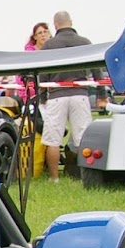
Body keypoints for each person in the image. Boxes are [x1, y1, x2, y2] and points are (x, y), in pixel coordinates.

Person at [38, 10, 93, 181]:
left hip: (56, 95)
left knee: (53, 140)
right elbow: (96, 67)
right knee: (83, 138)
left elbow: (43, 74)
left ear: (55, 25)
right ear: (71, 22)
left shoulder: (49, 45)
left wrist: (42, 98)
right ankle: (86, 176)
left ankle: (54, 178)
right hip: (80, 93)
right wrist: (100, 93)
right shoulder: (85, 42)